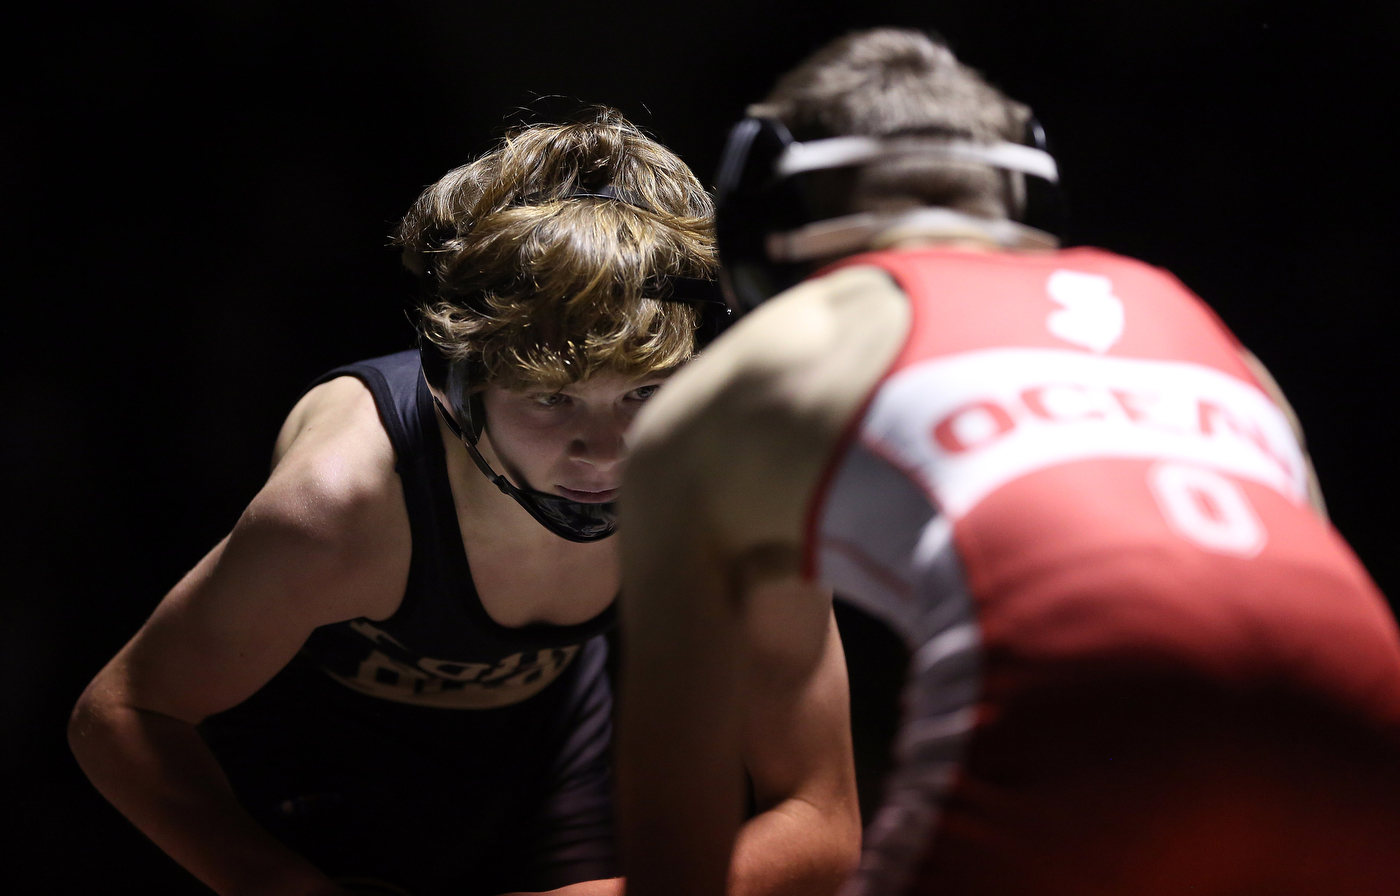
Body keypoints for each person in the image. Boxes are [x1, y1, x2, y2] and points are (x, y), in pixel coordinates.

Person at [616, 30, 1400, 896]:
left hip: (1084, 691)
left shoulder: (767, 362)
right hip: (1367, 707)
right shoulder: (1208, 335)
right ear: (1023, 193)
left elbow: (674, 863)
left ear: (760, 209)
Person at [68, 109, 860, 896]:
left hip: (544, 752)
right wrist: (280, 886)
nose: (606, 451)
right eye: (552, 400)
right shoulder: (339, 505)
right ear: (457, 391)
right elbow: (124, 713)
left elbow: (822, 818)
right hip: (308, 767)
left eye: (646, 393)